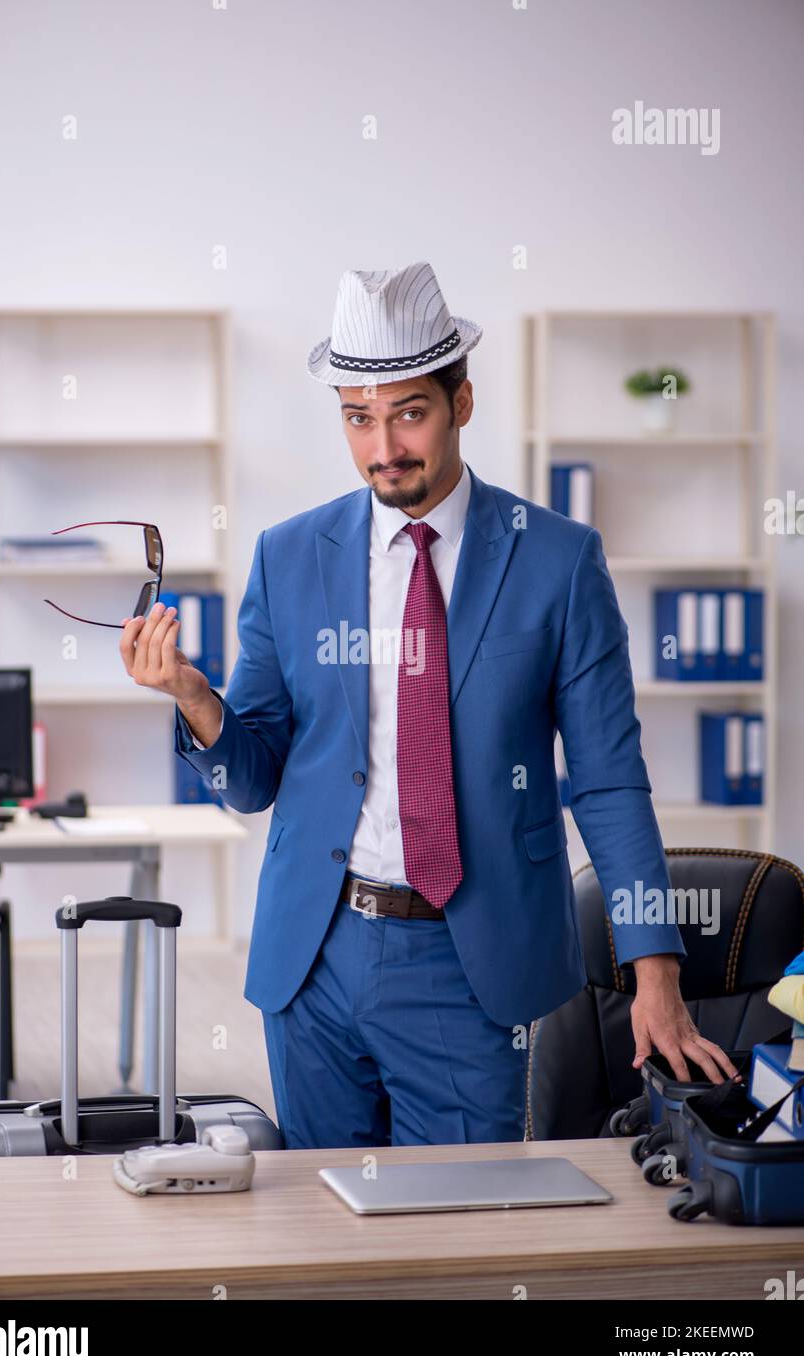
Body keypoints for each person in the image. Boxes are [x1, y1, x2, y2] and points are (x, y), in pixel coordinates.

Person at [119, 261, 740, 1148]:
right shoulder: (290, 555)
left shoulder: (557, 561)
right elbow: (253, 778)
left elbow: (606, 780)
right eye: (357, 418)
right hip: (314, 956)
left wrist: (655, 973)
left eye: (408, 412)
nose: (384, 448)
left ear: (462, 403)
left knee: (457, 1238)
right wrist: (192, 696)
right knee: (322, 1242)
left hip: (470, 958)